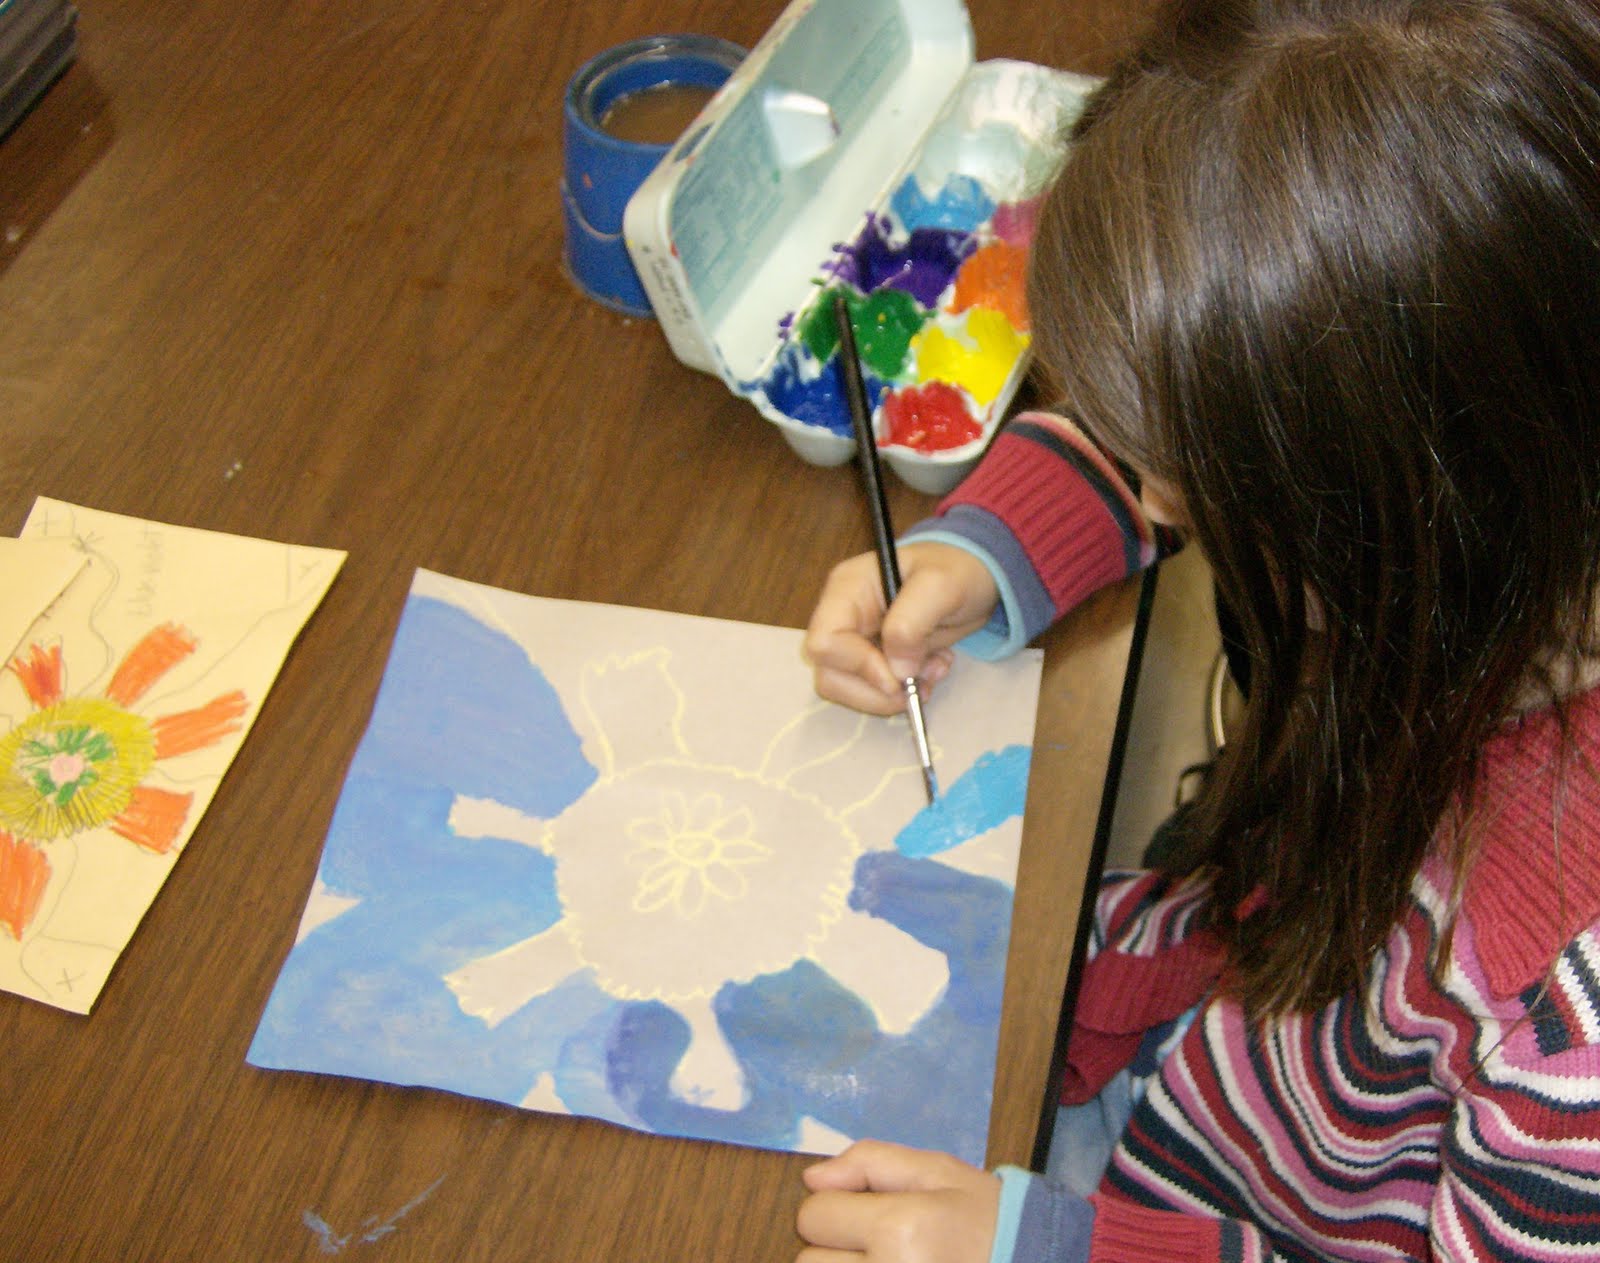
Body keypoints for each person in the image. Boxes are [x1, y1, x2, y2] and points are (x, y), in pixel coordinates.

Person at [795, 0, 1600, 1258]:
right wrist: (982, 553)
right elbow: (1245, 404)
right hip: (1215, 997)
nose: (1150, 496)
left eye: (1179, 480)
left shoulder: (1573, 1036)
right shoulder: (1492, 466)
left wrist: (1059, 1248)